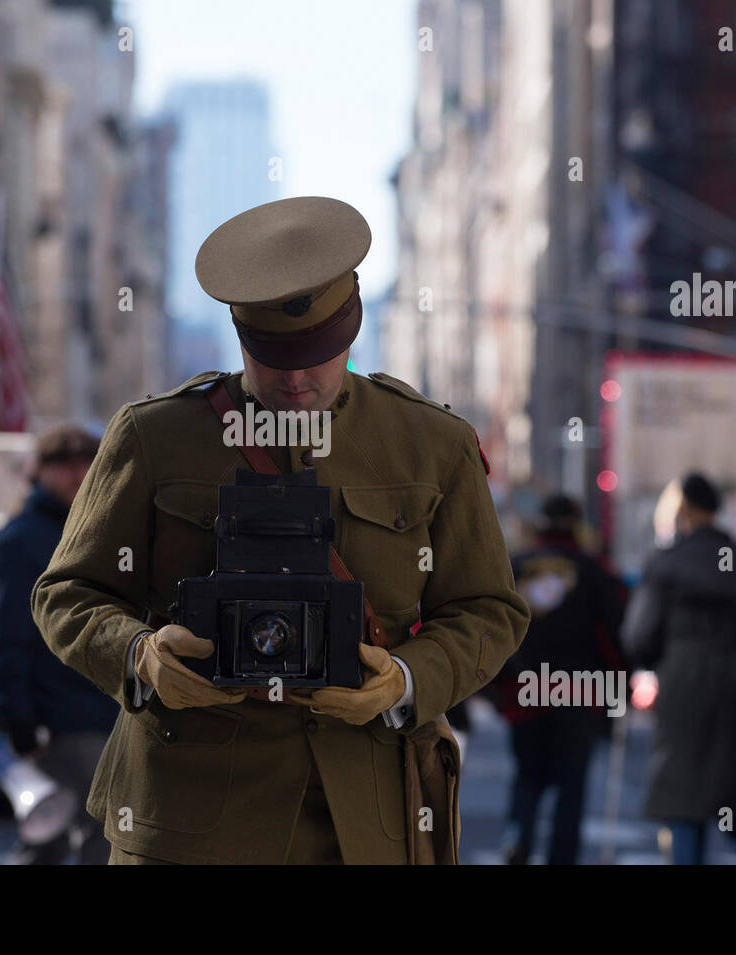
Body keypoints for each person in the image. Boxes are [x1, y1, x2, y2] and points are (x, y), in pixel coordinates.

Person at [31, 195, 531, 865]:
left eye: (316, 356)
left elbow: (489, 608)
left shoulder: (429, 444)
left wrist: (407, 679)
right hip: (188, 819)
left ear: (351, 327)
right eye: (273, 358)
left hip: (365, 819)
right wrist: (139, 653)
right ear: (240, 335)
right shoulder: (154, 437)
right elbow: (66, 592)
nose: (295, 382)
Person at [0, 424, 116, 864]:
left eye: (86, 463)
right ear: (40, 473)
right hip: (57, 720)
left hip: (107, 710)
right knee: (74, 838)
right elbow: (4, 639)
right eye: (63, 465)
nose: (77, 474)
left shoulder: (107, 526)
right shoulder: (20, 541)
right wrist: (19, 720)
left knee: (71, 841)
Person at [621, 473, 736, 865]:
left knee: (684, 801)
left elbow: (640, 637)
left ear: (683, 509)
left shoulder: (666, 563)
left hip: (684, 681)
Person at [487, 494, 627, 864]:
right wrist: (619, 693)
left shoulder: (514, 567)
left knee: (527, 777)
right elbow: (615, 639)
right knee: (572, 787)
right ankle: (561, 857)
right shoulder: (596, 571)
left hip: (525, 692)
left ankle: (517, 835)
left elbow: (491, 629)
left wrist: (496, 687)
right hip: (580, 693)